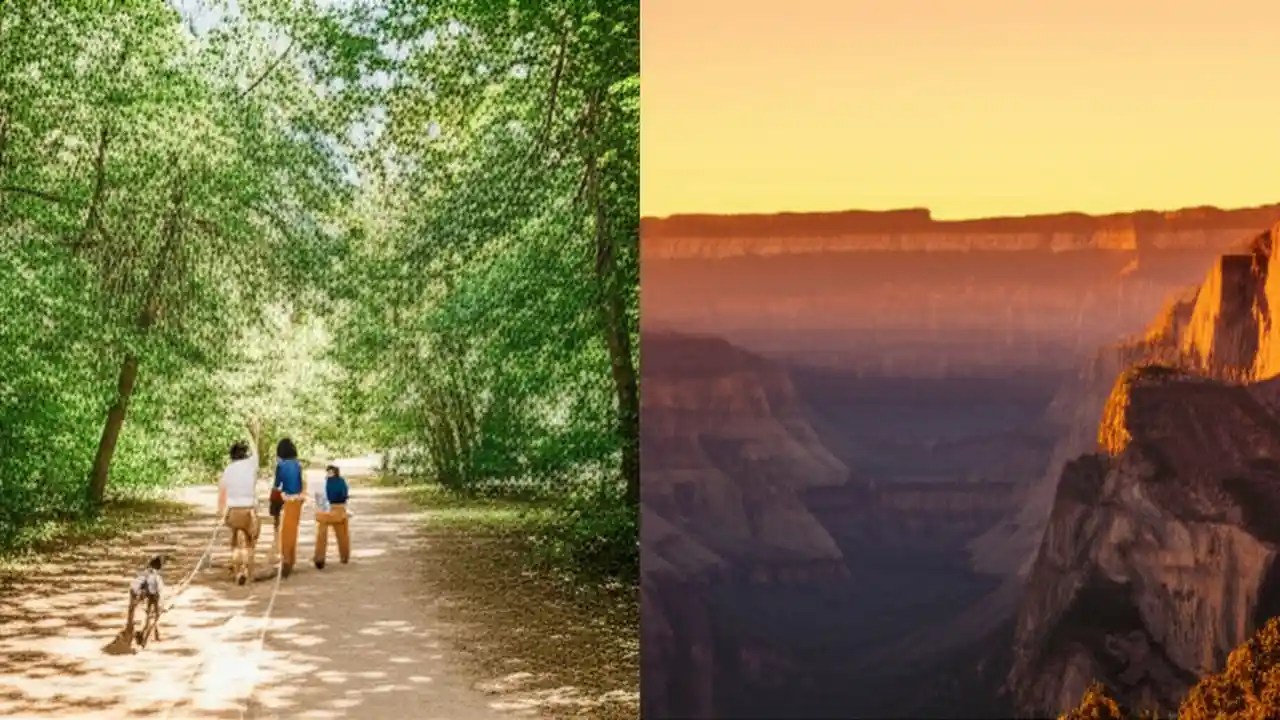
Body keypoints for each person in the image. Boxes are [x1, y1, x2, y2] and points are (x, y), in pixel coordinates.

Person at [217, 440, 261, 585]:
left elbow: (222, 491)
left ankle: (237, 572)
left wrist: (220, 511)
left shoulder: (228, 470)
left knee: (235, 542)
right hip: (250, 511)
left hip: (233, 511)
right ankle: (250, 572)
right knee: (250, 542)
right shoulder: (251, 465)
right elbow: (256, 450)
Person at [273, 438, 306, 578]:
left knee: (285, 531)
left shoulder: (281, 465)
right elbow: (301, 482)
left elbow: (277, 484)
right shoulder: (298, 464)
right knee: (293, 529)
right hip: (297, 498)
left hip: (286, 498)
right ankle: (291, 559)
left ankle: (286, 559)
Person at [313, 464, 351, 569]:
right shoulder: (341, 481)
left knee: (322, 532)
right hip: (339, 509)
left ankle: (319, 557)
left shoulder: (326, 482)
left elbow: (320, 498)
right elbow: (345, 494)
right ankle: (344, 556)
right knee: (342, 534)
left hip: (329, 509)